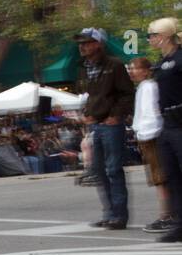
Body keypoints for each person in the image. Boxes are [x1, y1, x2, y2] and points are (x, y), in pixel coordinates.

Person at [74, 28, 135, 230]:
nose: (82, 46)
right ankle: (109, 213)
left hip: (110, 125)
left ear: (98, 44)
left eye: (86, 42)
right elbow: (89, 95)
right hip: (95, 124)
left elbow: (127, 94)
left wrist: (115, 115)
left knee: (113, 169)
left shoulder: (114, 65)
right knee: (99, 170)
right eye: (81, 43)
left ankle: (119, 215)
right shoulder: (84, 67)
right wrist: (86, 111)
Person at [128, 56, 173, 233]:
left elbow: (151, 114)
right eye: (130, 68)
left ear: (146, 70)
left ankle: (166, 215)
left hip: (151, 136)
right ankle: (167, 214)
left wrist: (144, 134)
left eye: (135, 68)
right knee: (159, 178)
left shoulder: (149, 87)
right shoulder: (143, 87)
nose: (131, 71)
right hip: (148, 135)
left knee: (160, 178)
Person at [148, 18, 182, 243]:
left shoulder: (180, 58)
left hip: (181, 121)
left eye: (152, 35)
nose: (150, 39)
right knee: (172, 176)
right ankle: (180, 223)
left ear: (164, 36)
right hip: (167, 123)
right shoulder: (161, 62)